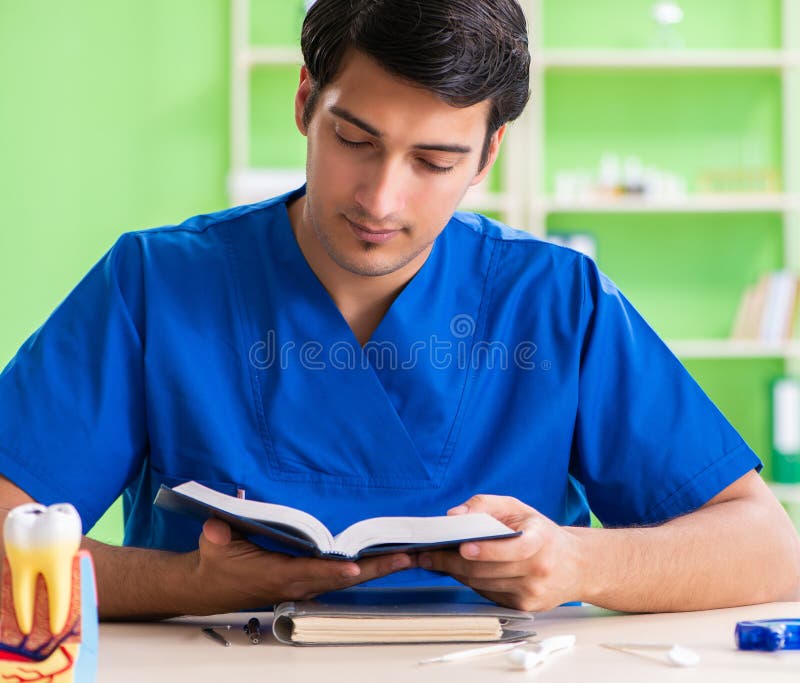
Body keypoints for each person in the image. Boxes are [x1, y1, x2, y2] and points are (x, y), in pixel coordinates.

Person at [0, 0, 798, 620]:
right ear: (307, 102)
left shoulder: (556, 302)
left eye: (434, 160)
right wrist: (189, 581)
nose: (382, 198)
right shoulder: (156, 283)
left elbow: (768, 547)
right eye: (356, 139)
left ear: (487, 154)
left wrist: (581, 564)